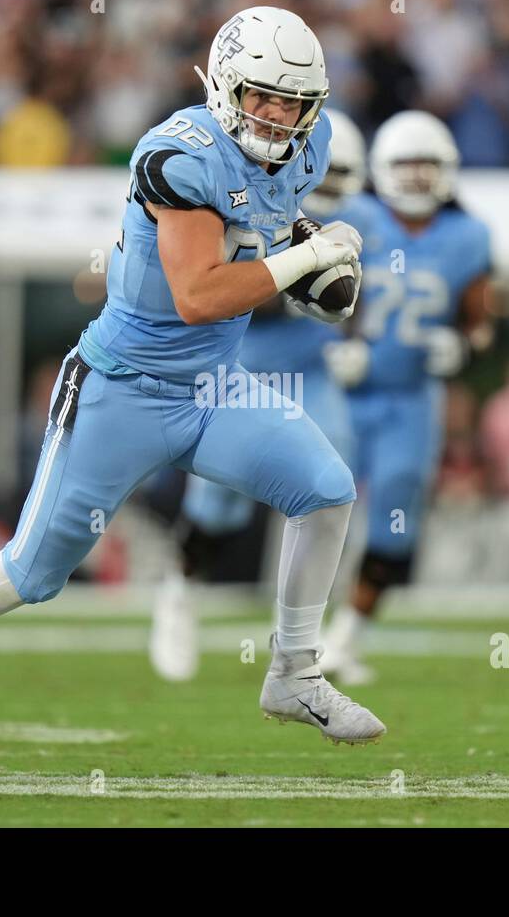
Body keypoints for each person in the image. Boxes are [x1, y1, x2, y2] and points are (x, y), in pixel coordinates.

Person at [0, 8, 385, 772]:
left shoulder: (308, 147)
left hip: (213, 387)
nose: (278, 117)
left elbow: (270, 226)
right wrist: (308, 257)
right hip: (122, 387)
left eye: (292, 104)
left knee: (327, 489)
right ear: (226, 88)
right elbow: (198, 294)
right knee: (33, 571)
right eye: (263, 98)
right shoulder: (177, 155)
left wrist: (312, 268)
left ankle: (294, 672)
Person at [148, 110, 367, 682]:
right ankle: (180, 591)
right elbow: (223, 289)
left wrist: (347, 323)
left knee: (332, 475)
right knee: (216, 504)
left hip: (311, 367)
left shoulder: (360, 217)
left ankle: (300, 635)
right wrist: (294, 274)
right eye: (322, 171)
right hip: (243, 359)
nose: (326, 187)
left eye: (339, 175)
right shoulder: (240, 191)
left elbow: (359, 298)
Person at [320, 110, 492, 685]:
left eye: (428, 166)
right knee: (317, 504)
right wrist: (333, 342)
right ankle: (294, 633)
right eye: (406, 166)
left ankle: (345, 639)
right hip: (343, 393)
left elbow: (481, 320)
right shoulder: (355, 217)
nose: (417, 179)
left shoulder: (468, 236)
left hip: (413, 399)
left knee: (395, 518)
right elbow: (310, 288)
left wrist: (464, 347)